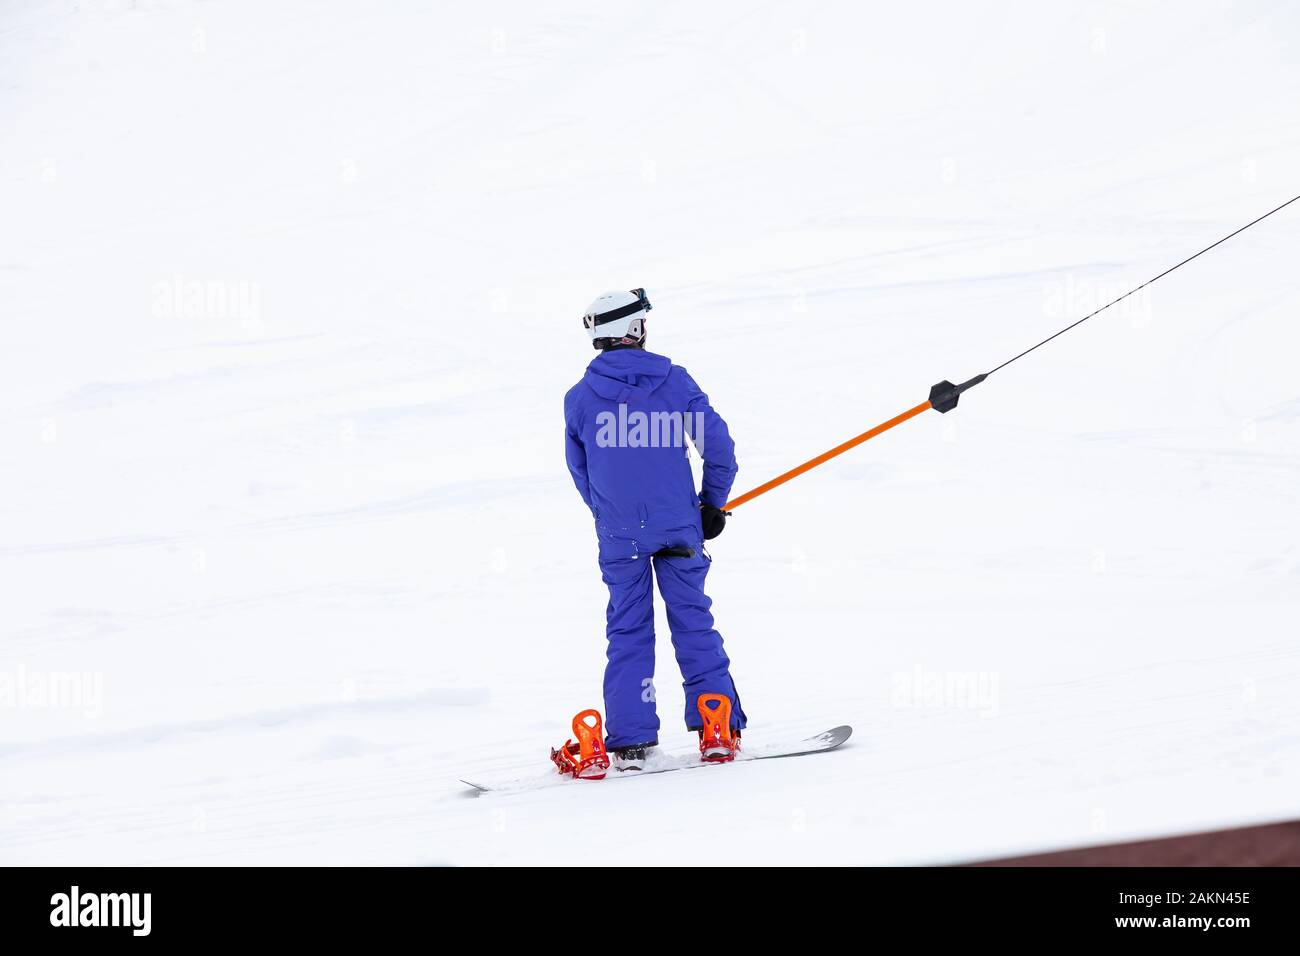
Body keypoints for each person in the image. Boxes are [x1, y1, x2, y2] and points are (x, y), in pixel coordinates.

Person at [563, 288, 747, 770]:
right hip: (679, 527)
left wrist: (608, 516)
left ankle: (632, 740)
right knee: (693, 620)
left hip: (620, 535)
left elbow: (581, 472)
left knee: (628, 629)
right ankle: (717, 726)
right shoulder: (674, 382)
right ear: (634, 329)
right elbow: (719, 447)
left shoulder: (579, 399)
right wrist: (712, 504)